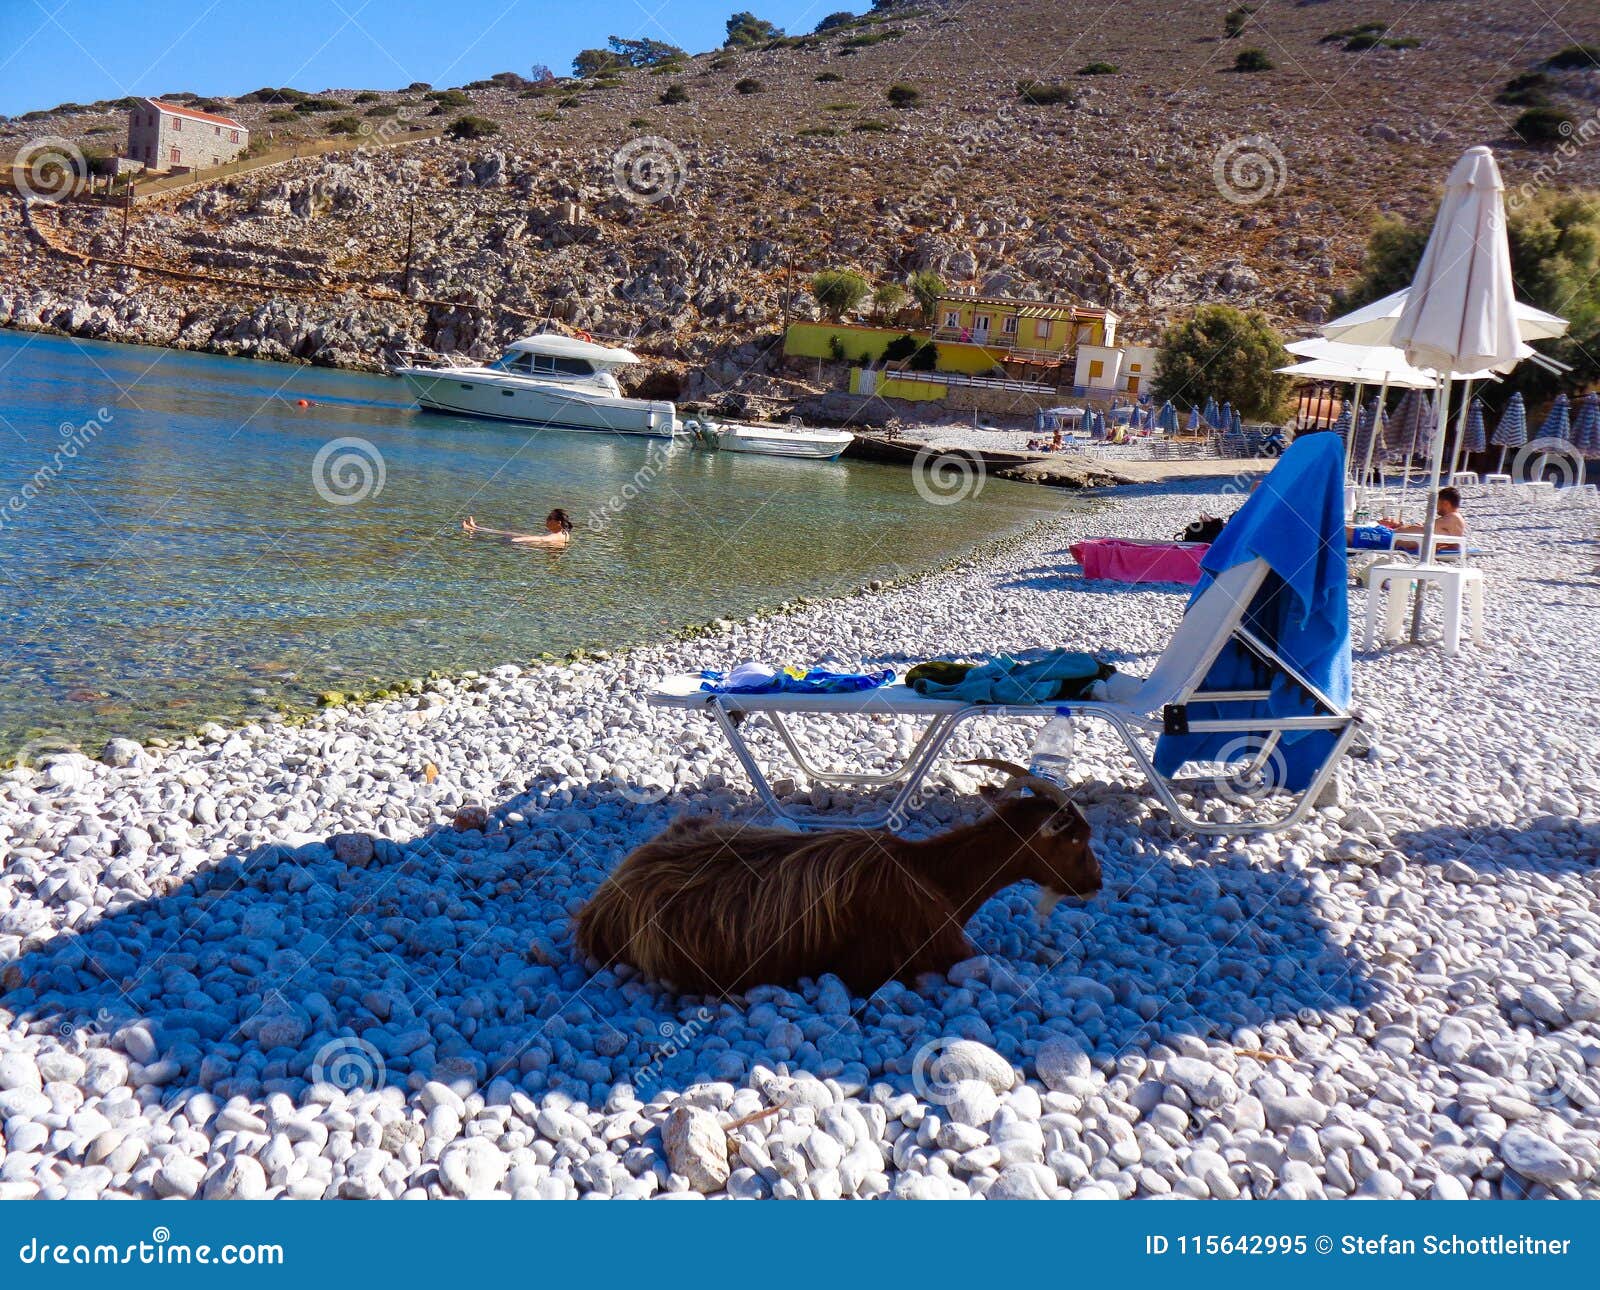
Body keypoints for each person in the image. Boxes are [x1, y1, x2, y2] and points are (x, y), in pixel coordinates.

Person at [1348, 487, 1466, 552]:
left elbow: (1455, 545)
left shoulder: (1453, 518)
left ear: (1446, 503)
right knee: (1353, 534)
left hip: (1391, 539)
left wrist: (1432, 548)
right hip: (1392, 537)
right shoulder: (1450, 519)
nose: (1436, 507)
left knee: (1352, 533)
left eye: (1438, 503)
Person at [462, 509, 574, 548]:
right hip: (538, 542)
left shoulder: (555, 536)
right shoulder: (565, 533)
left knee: (510, 537)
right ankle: (476, 527)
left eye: (549, 518)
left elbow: (542, 540)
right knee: (507, 532)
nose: (546, 520)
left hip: (534, 544)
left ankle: (473, 529)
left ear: (558, 522)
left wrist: (519, 540)